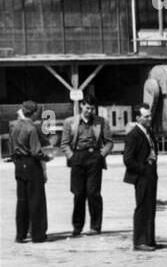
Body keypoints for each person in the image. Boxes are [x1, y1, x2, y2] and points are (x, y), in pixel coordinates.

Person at [61, 101, 114, 236]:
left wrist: (101, 155)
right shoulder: (69, 122)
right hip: (77, 156)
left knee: (93, 193)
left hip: (94, 157)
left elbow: (109, 142)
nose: (89, 111)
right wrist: (71, 157)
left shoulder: (101, 122)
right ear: (81, 106)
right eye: (87, 108)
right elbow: (65, 144)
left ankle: (95, 226)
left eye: (92, 108)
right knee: (78, 193)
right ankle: (77, 226)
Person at [10, 100, 50, 243]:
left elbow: (11, 149)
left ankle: (20, 235)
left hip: (19, 164)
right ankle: (38, 235)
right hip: (32, 165)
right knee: (36, 200)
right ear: (34, 113)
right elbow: (36, 152)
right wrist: (47, 157)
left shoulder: (14, 127)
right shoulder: (31, 128)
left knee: (22, 201)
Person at [122, 105, 158, 251]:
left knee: (150, 207)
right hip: (142, 175)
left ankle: (149, 240)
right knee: (142, 207)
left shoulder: (148, 132)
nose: (149, 119)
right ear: (138, 118)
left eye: (150, 116)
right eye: (146, 116)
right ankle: (140, 241)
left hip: (151, 173)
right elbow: (128, 159)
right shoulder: (133, 135)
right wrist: (143, 169)